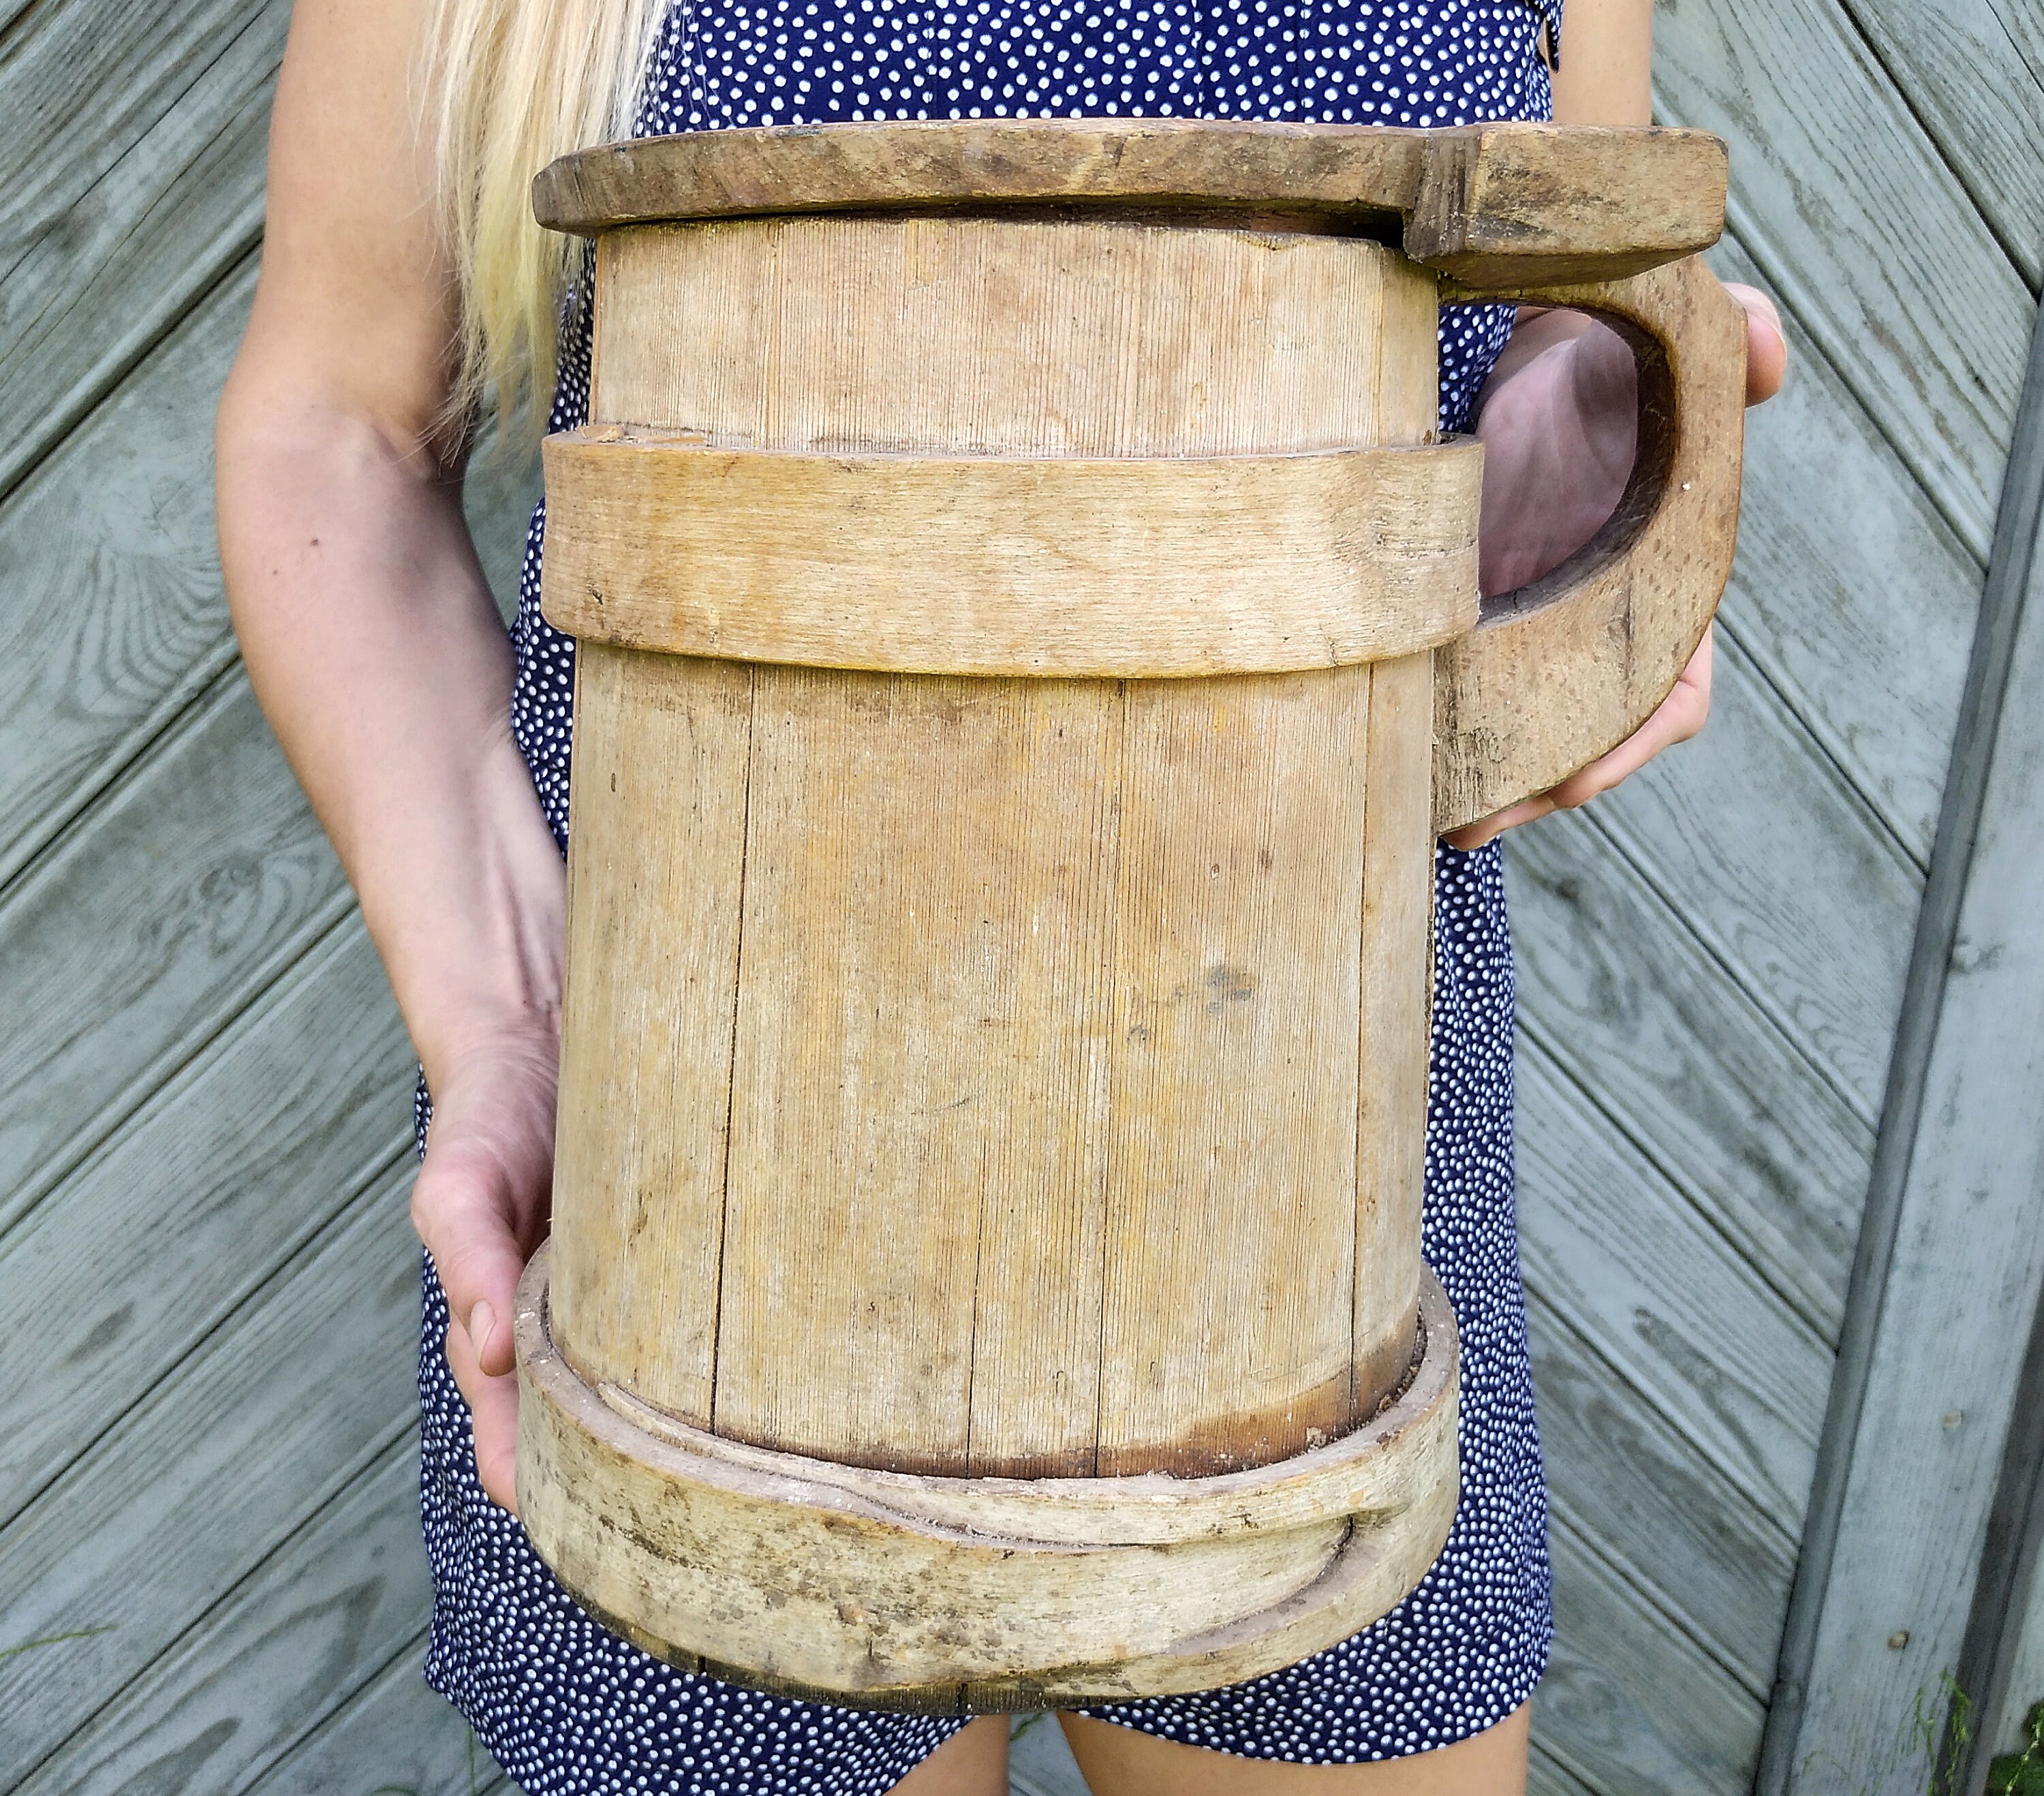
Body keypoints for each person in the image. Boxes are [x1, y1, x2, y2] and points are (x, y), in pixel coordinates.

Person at [215, 0, 1787, 1787]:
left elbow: (1571, 291)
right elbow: (337, 422)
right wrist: (512, 1009)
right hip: (692, 1184)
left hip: (1311, 1185)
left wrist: (1579, 444)